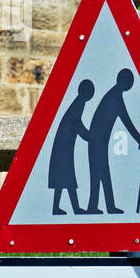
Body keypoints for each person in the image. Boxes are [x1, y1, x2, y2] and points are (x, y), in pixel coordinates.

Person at [85, 68, 140, 215]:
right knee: (98, 176)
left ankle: (106, 207)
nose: (129, 86)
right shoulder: (115, 98)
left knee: (103, 176)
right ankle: (94, 207)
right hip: (97, 143)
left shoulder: (113, 95)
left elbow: (126, 122)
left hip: (98, 143)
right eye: (128, 83)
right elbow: (127, 122)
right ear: (123, 81)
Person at [48, 79, 93, 215]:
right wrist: (91, 137)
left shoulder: (79, 102)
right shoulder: (78, 103)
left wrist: (88, 136)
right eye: (89, 92)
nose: (90, 95)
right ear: (83, 91)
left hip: (64, 146)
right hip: (63, 147)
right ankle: (70, 208)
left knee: (65, 179)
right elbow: (76, 123)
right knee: (66, 178)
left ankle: (66, 208)